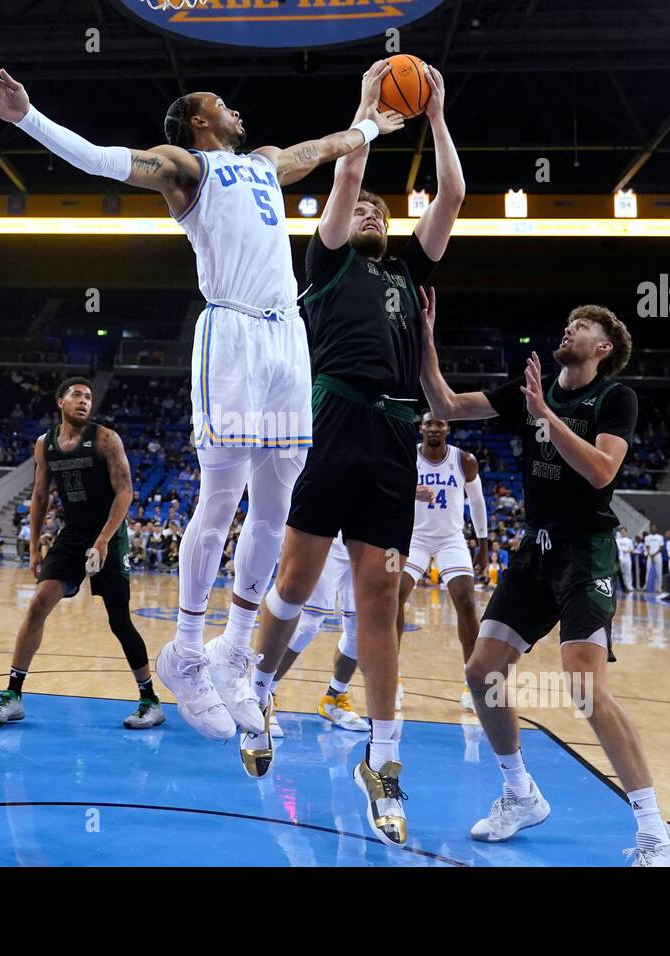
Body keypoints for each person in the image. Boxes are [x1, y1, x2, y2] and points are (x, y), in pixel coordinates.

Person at [0, 59, 405, 742]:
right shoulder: (186, 166)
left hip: (287, 334)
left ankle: (233, 651)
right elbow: (105, 161)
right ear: (199, 120)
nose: (235, 108)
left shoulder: (261, 161)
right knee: (222, 499)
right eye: (222, 102)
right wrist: (27, 117)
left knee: (279, 505)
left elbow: (321, 150)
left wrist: (368, 118)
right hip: (229, 330)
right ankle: (188, 649)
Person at [237, 61, 462, 849]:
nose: (367, 209)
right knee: (295, 580)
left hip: (396, 434)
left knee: (379, 603)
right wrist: (370, 107)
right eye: (358, 205)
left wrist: (434, 115)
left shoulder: (408, 271)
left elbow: (454, 198)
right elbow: (353, 166)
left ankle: (385, 761)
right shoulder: (327, 261)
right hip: (334, 415)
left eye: (378, 210)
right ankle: (258, 693)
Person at [420, 302, 670, 866]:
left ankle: (655, 836)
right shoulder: (534, 389)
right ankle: (520, 793)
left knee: (585, 690)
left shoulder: (614, 397)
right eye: (569, 322)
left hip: (585, 554)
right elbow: (445, 404)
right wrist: (425, 340)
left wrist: (545, 414)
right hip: (536, 549)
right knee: (481, 670)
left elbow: (602, 471)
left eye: (583, 326)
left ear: (602, 349)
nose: (569, 328)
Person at [0, 378, 164, 730]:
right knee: (37, 603)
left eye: (89, 397)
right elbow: (39, 496)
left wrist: (104, 540)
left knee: (118, 620)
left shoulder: (106, 438)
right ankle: (13, 695)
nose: (84, 401)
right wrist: (34, 546)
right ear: (60, 403)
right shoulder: (44, 445)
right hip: (72, 534)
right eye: (77, 395)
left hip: (109, 533)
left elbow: (125, 493)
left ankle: (150, 700)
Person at [397, 411, 488, 713]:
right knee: (394, 597)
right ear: (420, 428)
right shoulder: (406, 456)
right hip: (414, 538)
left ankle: (472, 683)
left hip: (451, 538)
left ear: (448, 428)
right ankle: (393, 680)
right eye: (428, 423)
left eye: (439, 423)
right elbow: (389, 489)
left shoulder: (464, 460)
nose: (434, 428)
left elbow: (476, 502)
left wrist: (484, 547)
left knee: (466, 603)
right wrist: (412, 492)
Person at [267, 533, 370, 734]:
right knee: (307, 626)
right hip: (331, 535)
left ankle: (334, 698)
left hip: (368, 538)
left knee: (360, 629)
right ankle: (264, 693)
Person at [642, 523, 665, 592]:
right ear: (650, 529)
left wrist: (654, 554)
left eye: (654, 527)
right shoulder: (647, 537)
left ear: (656, 528)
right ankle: (646, 586)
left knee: (659, 572)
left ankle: (659, 588)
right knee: (648, 571)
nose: (653, 529)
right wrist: (650, 555)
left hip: (658, 555)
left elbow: (661, 547)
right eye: (652, 528)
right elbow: (647, 546)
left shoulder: (660, 537)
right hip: (650, 556)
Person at [615, 526, 635, 593]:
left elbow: (632, 549)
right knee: (621, 573)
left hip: (627, 557)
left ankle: (629, 586)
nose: (623, 533)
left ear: (626, 532)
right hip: (620, 558)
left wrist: (626, 551)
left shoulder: (629, 540)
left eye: (624, 531)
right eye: (621, 531)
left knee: (628, 572)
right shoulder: (617, 540)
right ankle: (623, 586)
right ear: (620, 532)